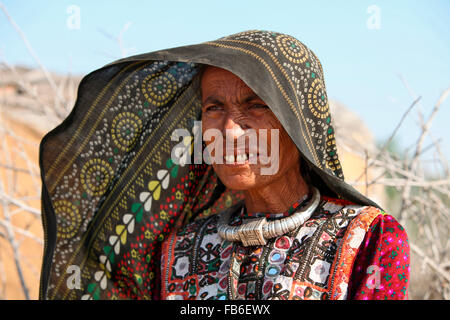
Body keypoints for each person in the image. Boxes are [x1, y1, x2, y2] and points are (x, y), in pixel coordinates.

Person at [39, 30, 410, 300]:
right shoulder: (176, 251)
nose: (229, 131)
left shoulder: (370, 241)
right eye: (213, 108)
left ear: (299, 124)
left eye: (255, 106)